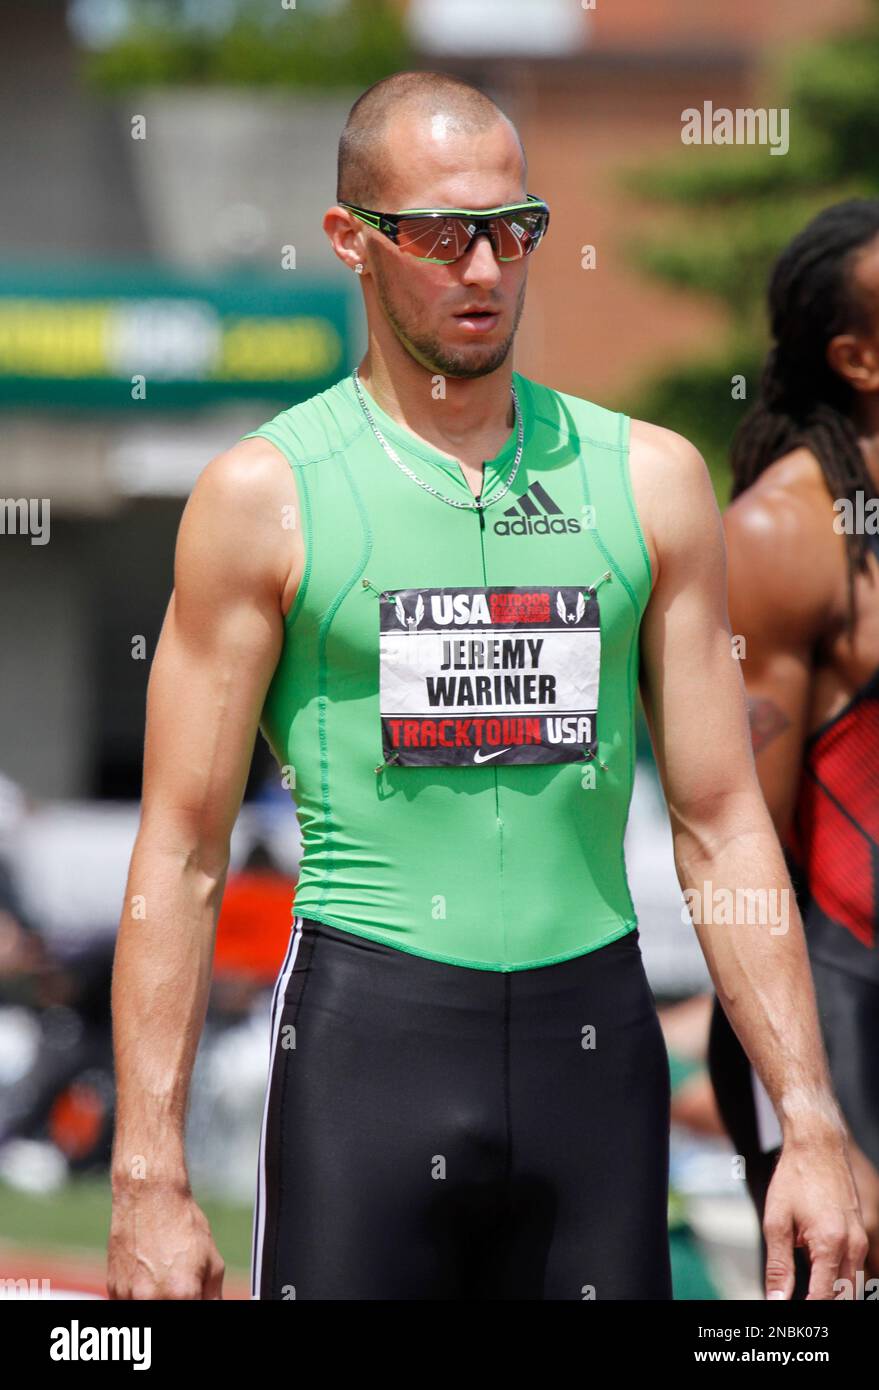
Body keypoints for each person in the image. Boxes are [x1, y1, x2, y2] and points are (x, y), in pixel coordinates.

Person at [107, 70, 866, 1301]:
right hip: (367, 1053)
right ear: (352, 242)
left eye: (515, 230)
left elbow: (723, 828)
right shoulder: (265, 496)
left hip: (594, 1058)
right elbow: (184, 851)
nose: (483, 268)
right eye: (442, 234)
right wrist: (147, 1174)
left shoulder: (649, 482)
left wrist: (814, 1124)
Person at [708, 199, 879, 1294]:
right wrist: (816, 1119)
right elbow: (740, 853)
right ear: (858, 358)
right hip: (842, 1010)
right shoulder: (783, 534)